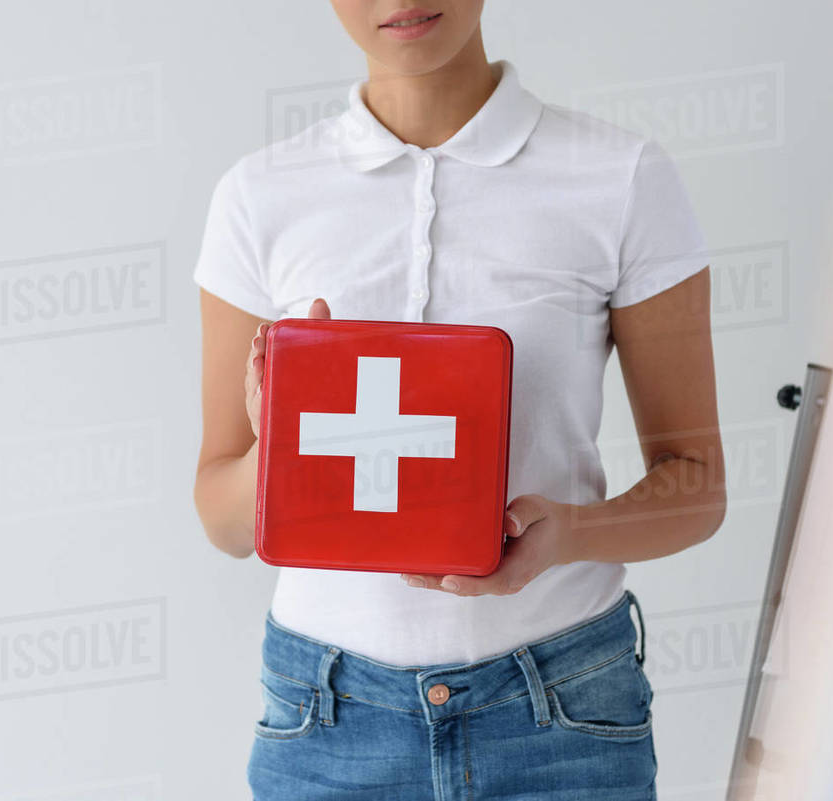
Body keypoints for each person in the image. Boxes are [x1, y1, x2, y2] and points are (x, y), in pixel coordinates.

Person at [193, 2, 726, 798]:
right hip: (327, 722)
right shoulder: (258, 197)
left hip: (562, 713)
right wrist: (281, 445)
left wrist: (571, 532)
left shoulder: (621, 177)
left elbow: (697, 483)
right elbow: (222, 517)